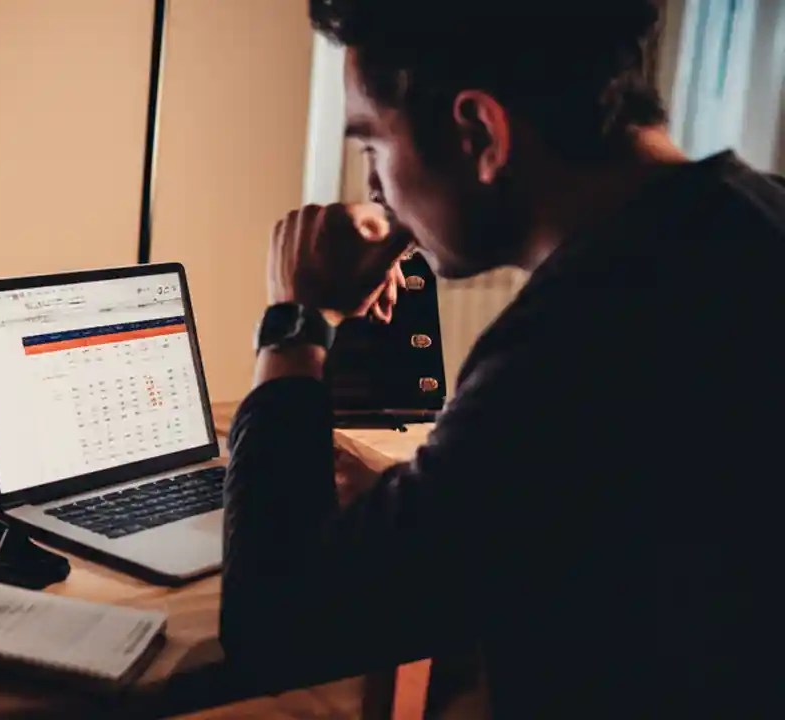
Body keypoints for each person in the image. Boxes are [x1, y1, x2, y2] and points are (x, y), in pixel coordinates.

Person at [220, 1, 785, 717]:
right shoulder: (752, 221)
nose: (373, 192)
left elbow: (276, 625)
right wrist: (421, 498)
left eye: (372, 149)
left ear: (481, 132)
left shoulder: (581, 335)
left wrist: (295, 322)